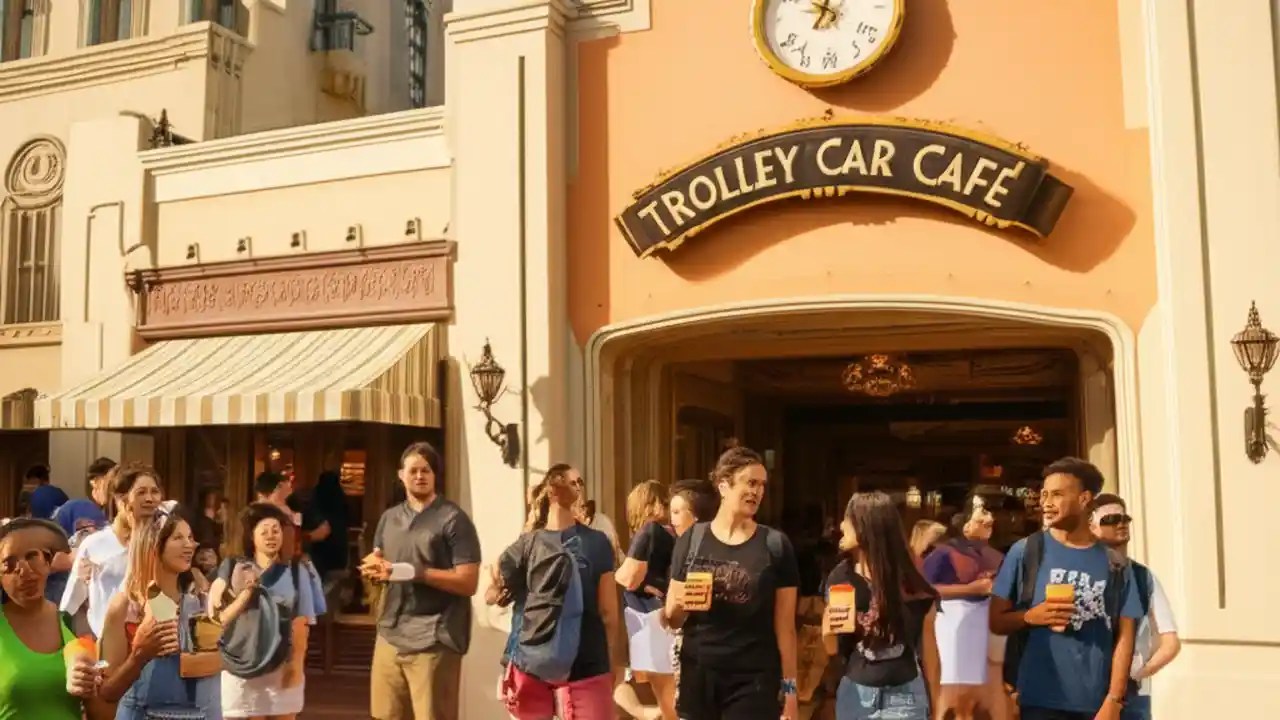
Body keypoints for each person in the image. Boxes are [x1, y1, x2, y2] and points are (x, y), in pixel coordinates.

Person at [990, 458, 1143, 720]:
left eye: (1057, 494)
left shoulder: (1116, 563)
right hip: (1037, 700)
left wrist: (1114, 700)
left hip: (1096, 703)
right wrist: (1030, 616)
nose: (1046, 502)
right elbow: (995, 621)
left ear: (1084, 499)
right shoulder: (1026, 551)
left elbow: (1125, 637)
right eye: (1044, 494)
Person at [664, 447, 801, 720]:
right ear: (724, 485)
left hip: (754, 681)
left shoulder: (775, 545)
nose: (758, 492)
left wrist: (791, 693)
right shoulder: (691, 540)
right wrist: (684, 603)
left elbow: (786, 630)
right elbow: (672, 618)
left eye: (762, 485)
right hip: (698, 677)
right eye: (750, 483)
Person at [487, 463, 620, 720]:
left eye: (580, 482)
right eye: (573, 482)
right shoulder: (595, 542)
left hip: (538, 661)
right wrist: (612, 659)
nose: (579, 487)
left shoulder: (527, 543)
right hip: (582, 663)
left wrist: (493, 589)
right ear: (552, 491)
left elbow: (494, 590)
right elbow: (608, 612)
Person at [359, 442, 481, 720]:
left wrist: (414, 572)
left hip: (434, 638)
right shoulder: (389, 518)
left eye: (426, 470)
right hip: (390, 635)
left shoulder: (453, 519)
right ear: (401, 475)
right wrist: (372, 568)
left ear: (435, 475)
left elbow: (468, 581)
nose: (419, 476)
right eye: (413, 470)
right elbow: (378, 558)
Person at [822, 491, 941, 720]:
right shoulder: (841, 577)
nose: (841, 525)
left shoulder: (910, 583)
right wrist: (827, 633)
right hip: (856, 695)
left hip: (904, 696)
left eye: (848, 519)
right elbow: (834, 651)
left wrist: (935, 706)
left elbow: (930, 654)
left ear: (866, 527)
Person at [98, 505, 222, 719]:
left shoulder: (197, 601)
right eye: (178, 538)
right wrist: (140, 654)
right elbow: (108, 692)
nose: (189, 545)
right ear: (154, 546)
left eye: (190, 537)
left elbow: (210, 673)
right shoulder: (126, 606)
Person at [210, 502, 323, 720]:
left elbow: (301, 624)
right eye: (264, 531)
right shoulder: (233, 568)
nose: (271, 536)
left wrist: (296, 665)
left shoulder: (298, 571)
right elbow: (216, 616)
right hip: (240, 665)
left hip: (281, 666)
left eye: (276, 530)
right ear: (251, 536)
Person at [1089, 494, 1180, 720]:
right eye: (1109, 519)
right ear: (1091, 526)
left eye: (1124, 518)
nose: (1120, 523)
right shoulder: (1082, 575)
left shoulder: (1142, 576)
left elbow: (1171, 643)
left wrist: (1139, 672)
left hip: (1133, 696)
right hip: (1086, 690)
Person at [922, 495, 1004, 720]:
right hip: (955, 626)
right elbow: (924, 589)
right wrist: (970, 590)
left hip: (988, 627)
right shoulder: (943, 553)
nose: (989, 518)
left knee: (985, 694)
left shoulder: (992, 553)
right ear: (964, 519)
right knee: (956, 695)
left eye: (990, 513)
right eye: (982, 512)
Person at [63, 464, 164, 639]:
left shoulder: (163, 542)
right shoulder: (94, 544)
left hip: (152, 643)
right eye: (141, 492)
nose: (150, 498)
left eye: (154, 492)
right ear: (120, 499)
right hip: (105, 645)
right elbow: (69, 606)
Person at [616, 481, 677, 720]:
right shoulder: (673, 535)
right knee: (663, 688)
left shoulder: (649, 531)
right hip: (662, 614)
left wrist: (611, 573)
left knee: (657, 689)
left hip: (642, 617)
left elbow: (629, 578)